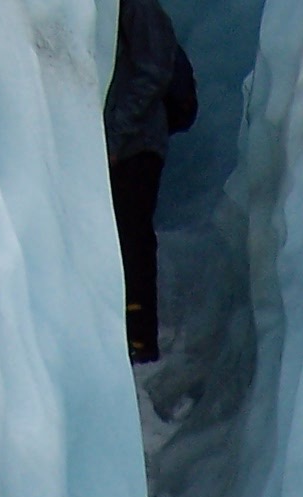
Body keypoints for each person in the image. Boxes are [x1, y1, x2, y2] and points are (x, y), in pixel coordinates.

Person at [105, 0, 198, 364]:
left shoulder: (138, 6)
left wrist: (116, 134)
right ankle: (129, 334)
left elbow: (153, 68)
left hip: (137, 143)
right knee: (125, 235)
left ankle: (140, 340)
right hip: (129, 141)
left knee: (132, 236)